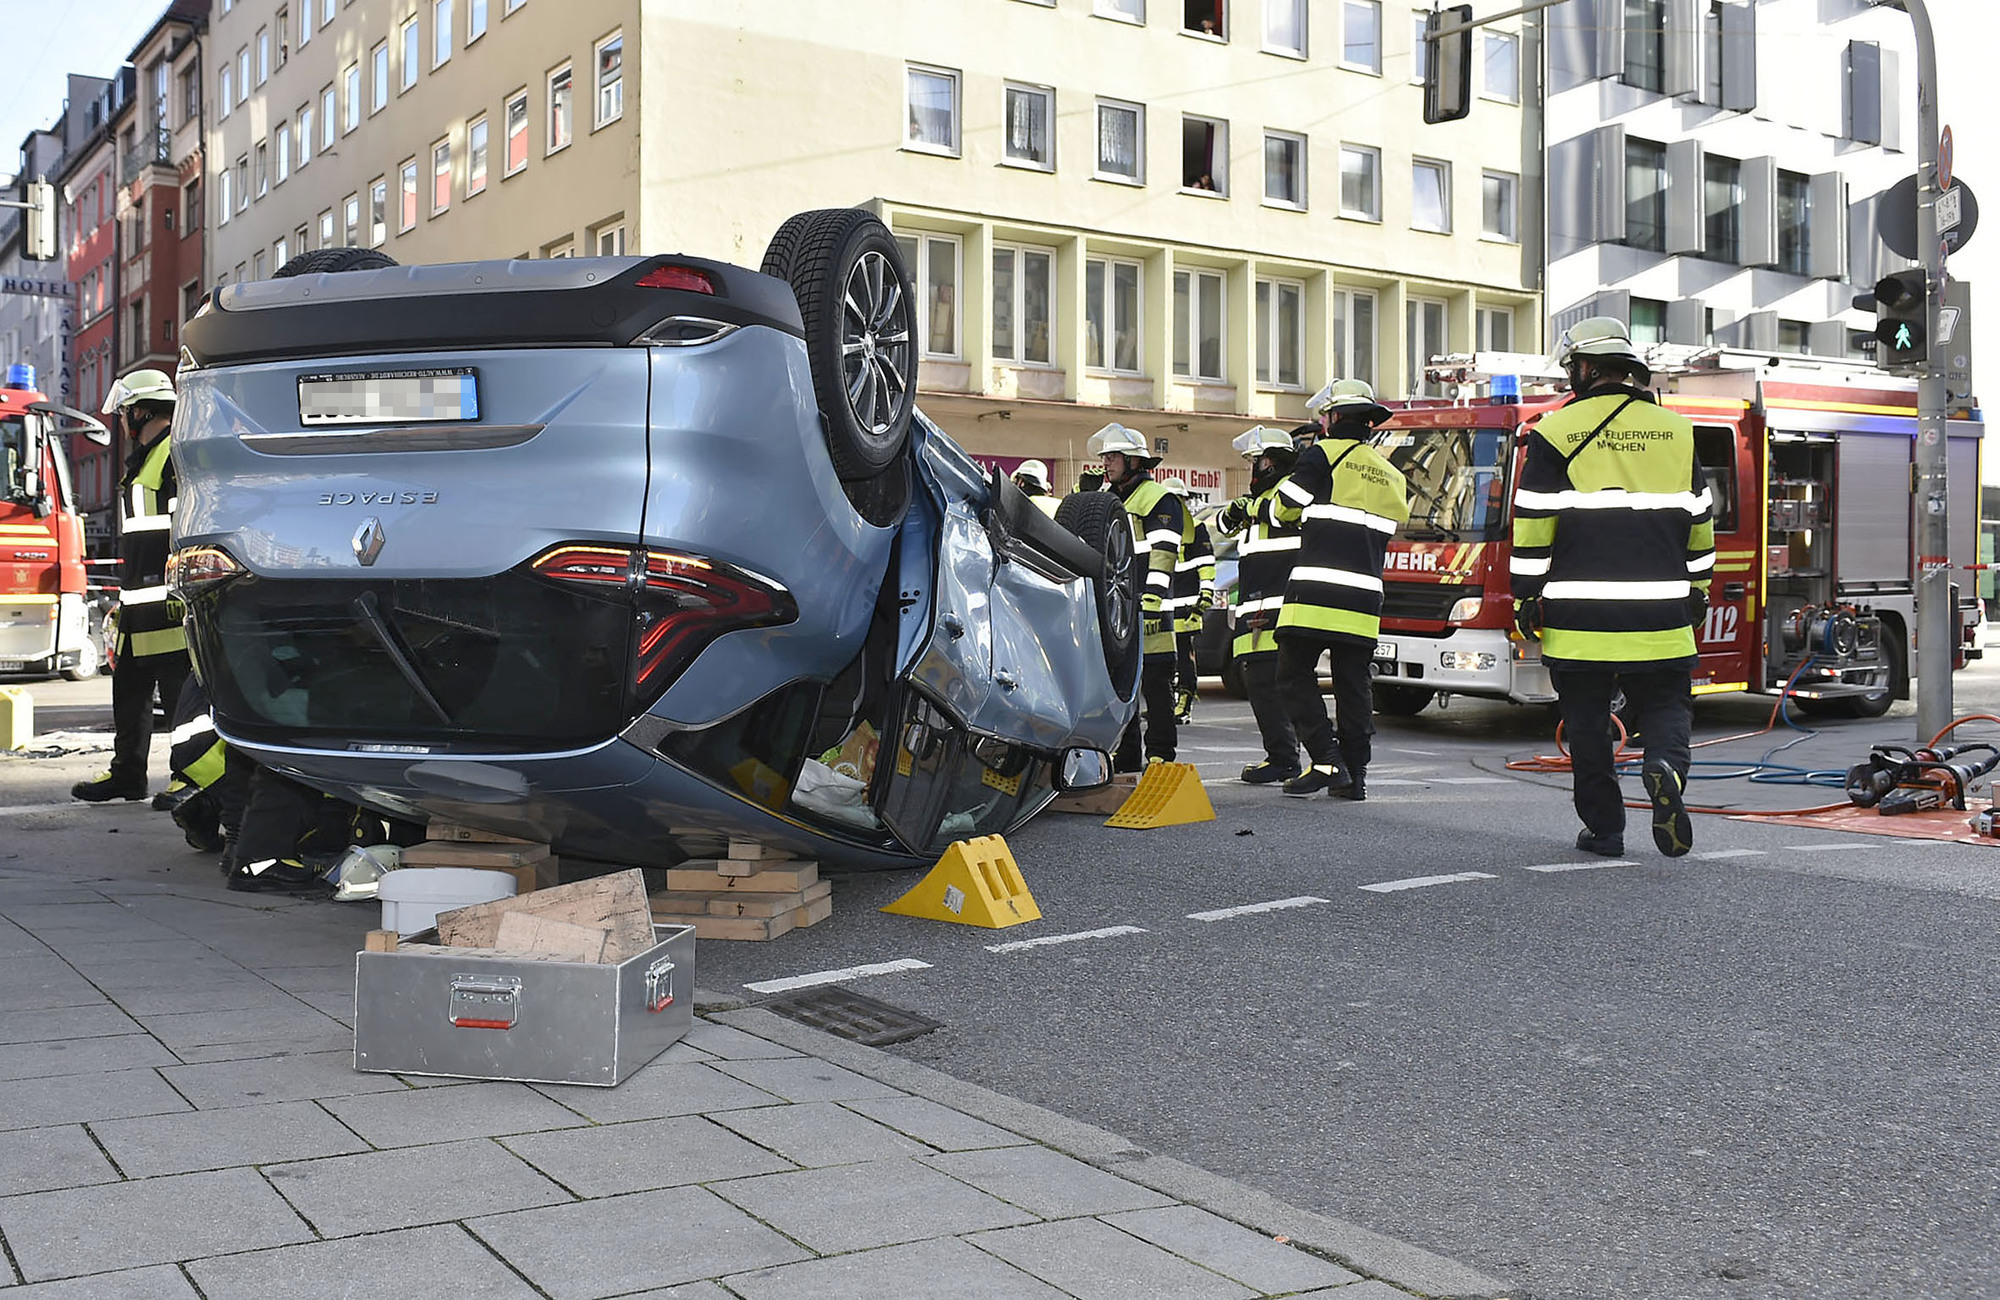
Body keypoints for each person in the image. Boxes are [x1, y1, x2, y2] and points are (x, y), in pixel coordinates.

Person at [1512, 316, 1712, 859]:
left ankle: (1605, 830)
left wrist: (1526, 595)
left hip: (1580, 617)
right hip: (1663, 612)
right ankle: (1665, 766)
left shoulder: (1553, 431)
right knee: (1668, 705)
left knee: (1587, 726)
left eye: (1572, 367)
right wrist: (1700, 586)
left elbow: (1533, 522)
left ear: (1587, 368)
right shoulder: (1677, 430)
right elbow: (1699, 517)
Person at [1270, 379, 1410, 801]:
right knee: (1354, 686)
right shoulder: (1390, 473)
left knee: (1292, 676)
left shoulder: (1321, 454)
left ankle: (1328, 758)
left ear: (1331, 418)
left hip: (1315, 593)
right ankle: (1355, 776)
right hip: (1365, 597)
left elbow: (1283, 507)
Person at [73, 368, 191, 803]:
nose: (121, 422)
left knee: (183, 705)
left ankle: (188, 782)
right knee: (130, 697)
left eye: (124, 412)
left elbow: (187, 529)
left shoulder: (173, 457)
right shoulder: (142, 462)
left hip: (168, 607)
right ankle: (127, 775)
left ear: (140, 411)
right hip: (136, 608)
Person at [1086, 422, 1191, 770]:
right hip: (1118, 610)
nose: (1106, 462)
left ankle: (1161, 754)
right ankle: (1127, 755)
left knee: (1156, 685)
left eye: (1113, 456)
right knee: (1122, 687)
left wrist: (1151, 600)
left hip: (1149, 608)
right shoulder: (1110, 499)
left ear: (1134, 461)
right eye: (1105, 456)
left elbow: (1164, 552)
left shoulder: (1159, 499)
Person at [1215, 426, 1304, 783]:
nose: (1254, 468)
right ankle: (1281, 756)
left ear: (1274, 461)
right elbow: (1223, 525)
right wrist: (1237, 510)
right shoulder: (1259, 498)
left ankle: (1300, 757)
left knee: (1281, 685)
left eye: (1258, 461)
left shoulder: (1288, 491)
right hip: (1256, 606)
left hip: (1280, 605)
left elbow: (1286, 513)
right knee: (1261, 684)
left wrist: (1250, 507)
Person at [1159, 477, 1215, 724]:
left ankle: (1185, 704)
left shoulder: (1196, 527)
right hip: (1165, 601)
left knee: (1184, 655)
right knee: (1165, 656)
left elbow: (1205, 562)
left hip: (1188, 603)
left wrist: (1206, 594)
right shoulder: (1161, 526)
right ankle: (1167, 703)